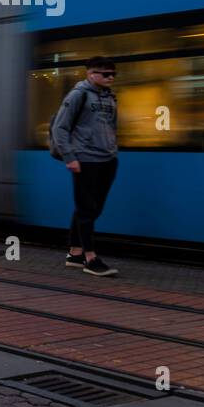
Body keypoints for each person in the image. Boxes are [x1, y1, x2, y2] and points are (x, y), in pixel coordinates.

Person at [51, 56, 120, 277]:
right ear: (91, 74)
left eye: (113, 74)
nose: (110, 77)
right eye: (105, 73)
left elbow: (112, 127)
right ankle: (90, 258)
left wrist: (113, 151)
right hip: (85, 159)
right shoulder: (78, 95)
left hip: (107, 160)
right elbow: (60, 129)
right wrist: (70, 157)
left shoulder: (111, 98)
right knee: (87, 209)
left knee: (93, 207)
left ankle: (74, 253)